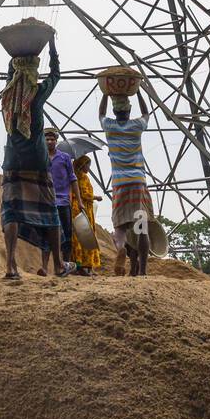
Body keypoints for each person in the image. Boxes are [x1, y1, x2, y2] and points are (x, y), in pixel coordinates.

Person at [0, 34, 66, 281]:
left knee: (12, 212)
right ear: (34, 72)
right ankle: (58, 265)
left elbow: (11, 72)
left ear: (16, 69)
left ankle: (10, 265)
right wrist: (51, 46)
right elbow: (56, 74)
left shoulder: (8, 95)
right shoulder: (37, 94)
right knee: (50, 212)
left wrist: (14, 55)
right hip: (37, 163)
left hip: (12, 162)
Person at [99, 87, 151, 278]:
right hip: (137, 183)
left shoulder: (110, 127)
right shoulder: (136, 126)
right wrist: (138, 92)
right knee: (141, 228)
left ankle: (120, 248)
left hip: (119, 184)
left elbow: (101, 113)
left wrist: (105, 92)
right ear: (129, 112)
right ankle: (143, 270)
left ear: (115, 112)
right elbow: (146, 113)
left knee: (120, 227)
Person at [44, 127, 76, 275]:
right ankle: (44, 267)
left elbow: (72, 179)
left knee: (67, 234)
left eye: (52, 139)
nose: (50, 141)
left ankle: (65, 263)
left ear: (56, 141)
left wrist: (79, 200)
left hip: (63, 202)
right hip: (47, 201)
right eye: (47, 139)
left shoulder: (64, 158)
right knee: (46, 234)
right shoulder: (41, 158)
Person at [69, 155, 102, 275]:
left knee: (78, 237)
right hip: (82, 207)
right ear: (83, 165)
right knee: (86, 236)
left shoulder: (74, 176)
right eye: (88, 165)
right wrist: (96, 197)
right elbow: (84, 194)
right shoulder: (82, 177)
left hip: (76, 207)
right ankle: (84, 266)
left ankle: (81, 265)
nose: (89, 167)